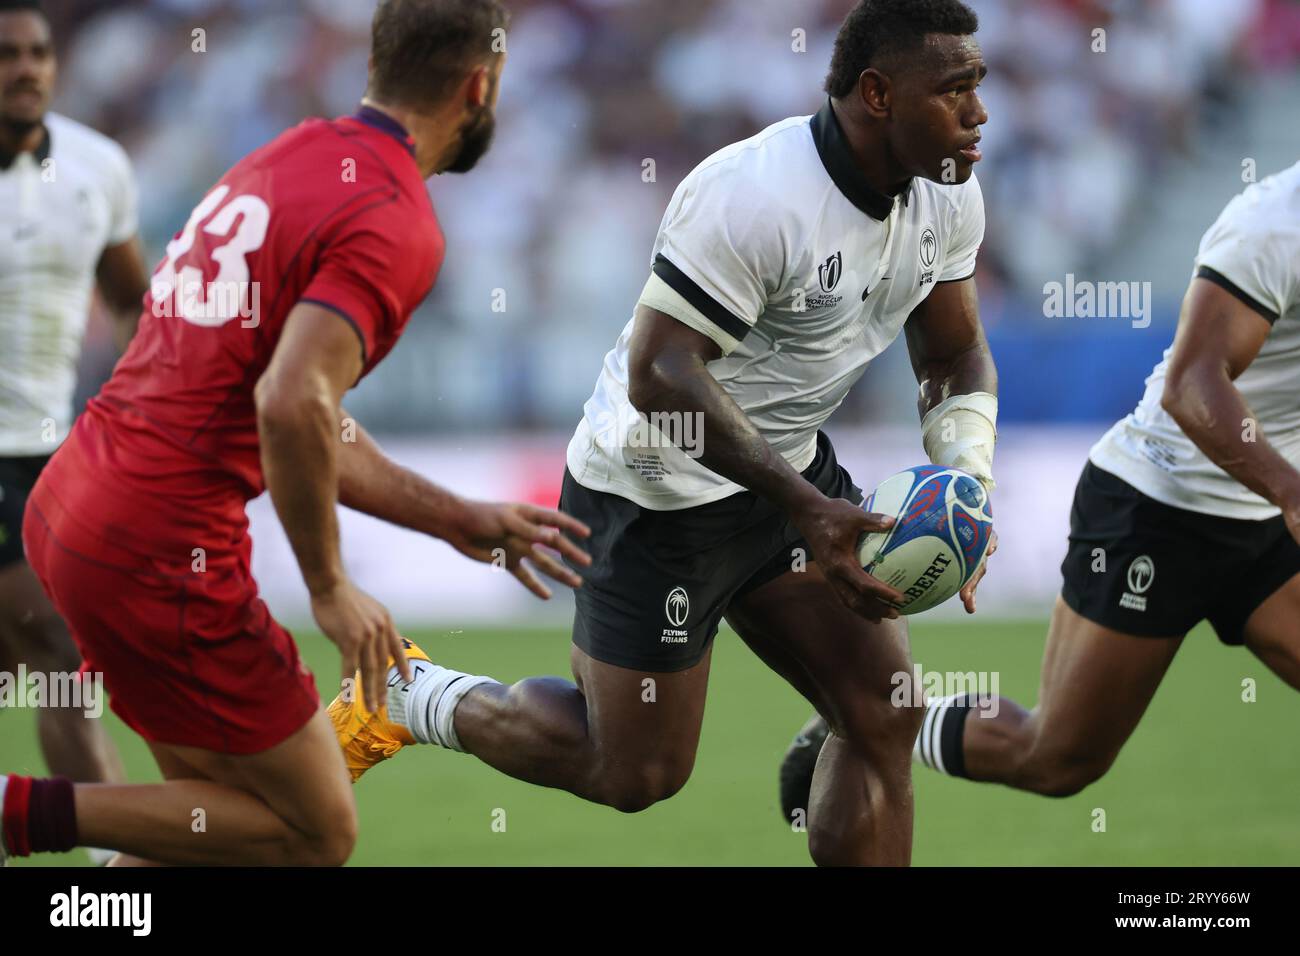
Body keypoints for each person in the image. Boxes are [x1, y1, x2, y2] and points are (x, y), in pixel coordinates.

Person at [332, 0, 997, 866]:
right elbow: (660, 377)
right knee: (633, 773)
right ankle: (407, 695)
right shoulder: (754, 195)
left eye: (977, 86)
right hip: (656, 489)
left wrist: (968, 477)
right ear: (877, 94)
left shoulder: (948, 196)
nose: (979, 114)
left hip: (787, 479)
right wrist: (803, 505)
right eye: (956, 91)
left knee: (884, 710)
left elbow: (953, 351)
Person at [1, 0, 588, 867]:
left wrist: (452, 518)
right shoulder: (395, 217)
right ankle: (17, 809)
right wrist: (329, 587)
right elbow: (290, 403)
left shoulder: (286, 156)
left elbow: (295, 407)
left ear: (374, 66)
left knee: (212, 826)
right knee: (314, 830)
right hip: (158, 544)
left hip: (73, 503)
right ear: (482, 82)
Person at [781, 161, 1300, 825]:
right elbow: (1192, 385)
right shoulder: (1273, 225)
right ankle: (879, 721)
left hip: (1264, 516)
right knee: (1056, 758)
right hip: (1161, 505)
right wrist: (1292, 492)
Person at [0, 0, 147, 848]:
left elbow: (131, 300)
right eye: (7, 54)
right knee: (59, 657)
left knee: (41, 664)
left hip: (51, 462)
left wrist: (137, 410)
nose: (27, 68)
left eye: (39, 53)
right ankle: (116, 859)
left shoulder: (97, 167)